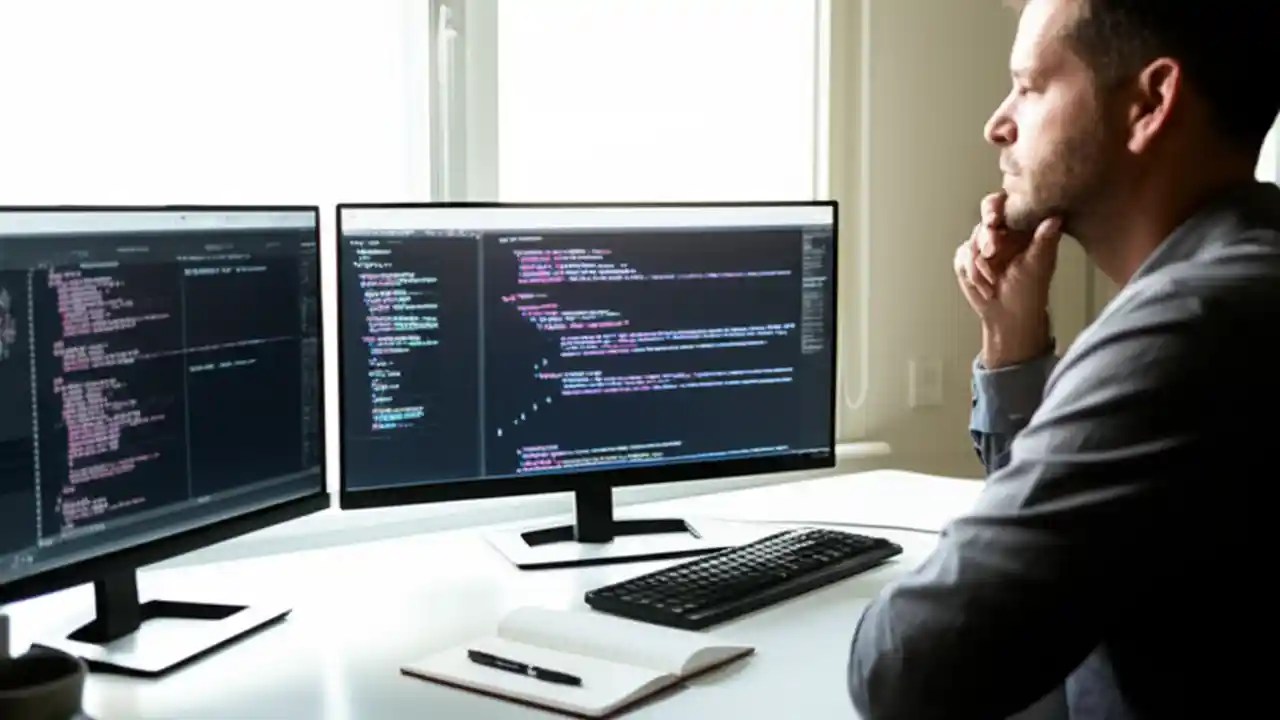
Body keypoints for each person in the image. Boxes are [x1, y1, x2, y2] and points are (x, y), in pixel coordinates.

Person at [845, 0, 1280, 718]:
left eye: (1029, 86)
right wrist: (1014, 345)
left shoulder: (1188, 325)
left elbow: (908, 668)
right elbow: (1055, 572)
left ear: (1151, 102)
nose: (997, 123)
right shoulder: (1245, 277)